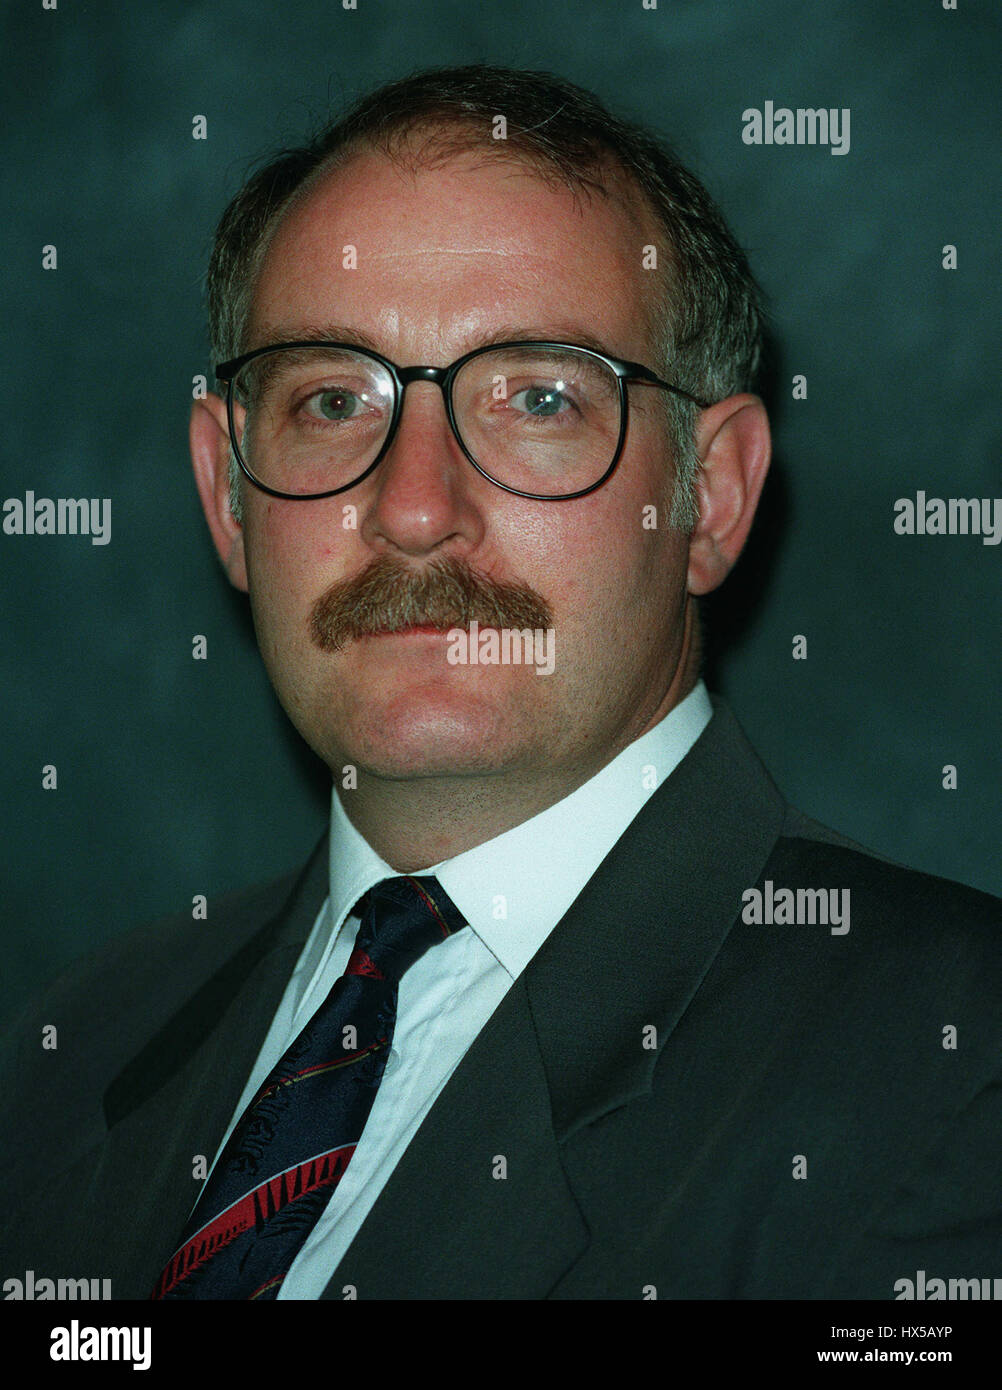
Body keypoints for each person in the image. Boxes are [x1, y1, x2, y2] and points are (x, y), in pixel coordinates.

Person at [2, 64, 999, 1302]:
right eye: (331, 400)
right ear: (227, 494)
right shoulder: (66, 1053)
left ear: (713, 494)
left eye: (538, 398)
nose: (415, 509)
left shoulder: (956, 1069)